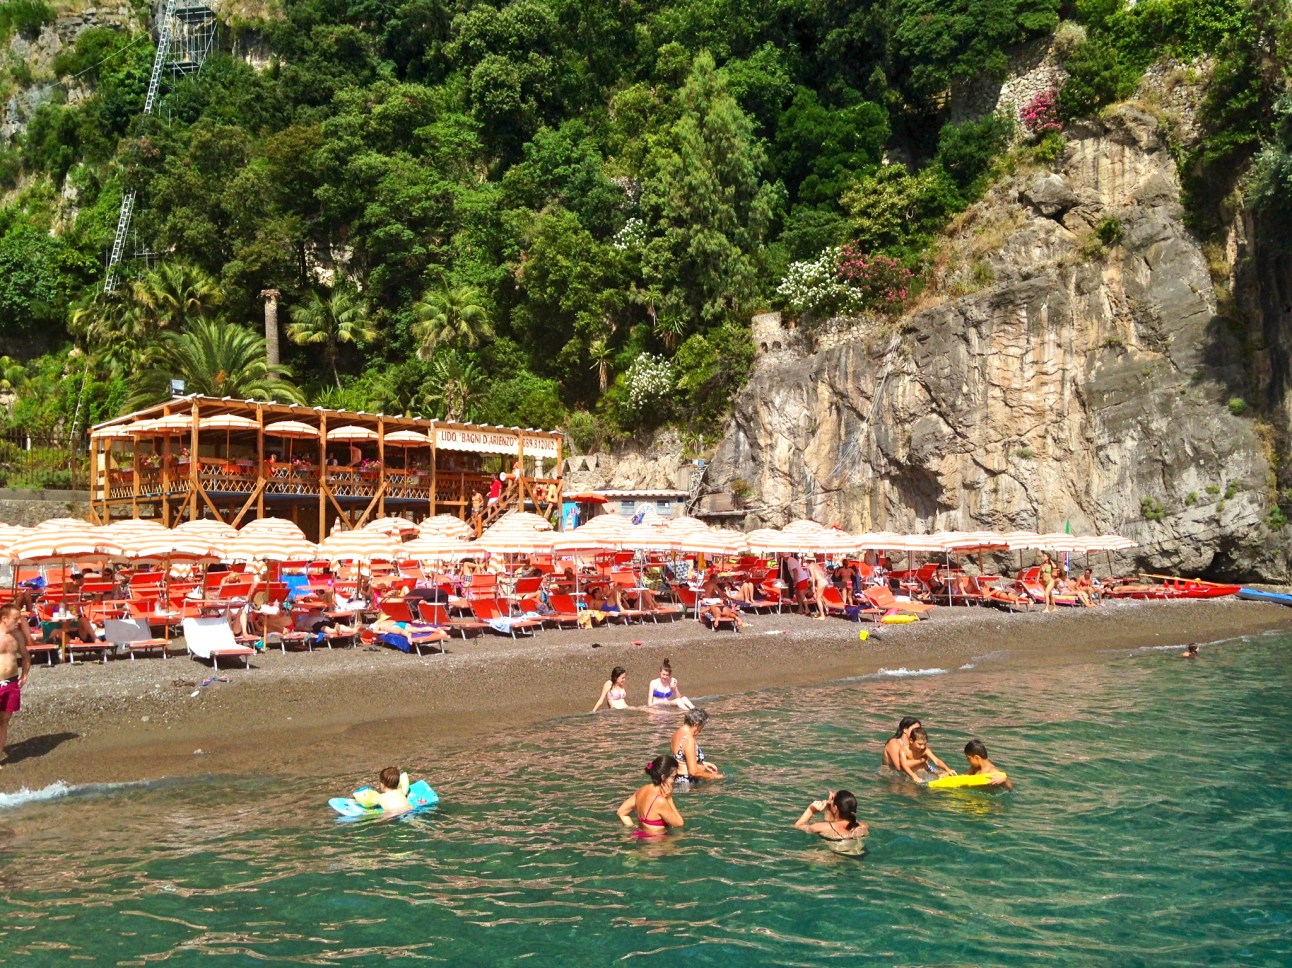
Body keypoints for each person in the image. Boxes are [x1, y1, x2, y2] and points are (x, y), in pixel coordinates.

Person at [616, 755, 683, 836]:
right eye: (674, 777)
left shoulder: (642, 790)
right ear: (664, 777)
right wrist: (669, 797)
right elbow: (679, 823)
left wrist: (633, 829)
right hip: (659, 845)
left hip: (642, 839)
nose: (675, 780)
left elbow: (621, 812)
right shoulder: (660, 800)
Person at [0, 605, 32, 765]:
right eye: (15, 618)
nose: (19, 621)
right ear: (4, 619)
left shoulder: (17, 636)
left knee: (4, 721)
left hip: (11, 683)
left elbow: (26, 656)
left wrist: (25, 675)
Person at [793, 790, 868, 841]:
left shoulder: (819, 827)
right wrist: (829, 808)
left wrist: (810, 810)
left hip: (835, 859)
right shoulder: (863, 826)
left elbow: (797, 826)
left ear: (835, 808)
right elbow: (832, 824)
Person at [672, 707, 723, 782]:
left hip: (679, 779)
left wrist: (704, 764)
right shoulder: (689, 739)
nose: (701, 731)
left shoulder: (676, 734)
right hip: (688, 782)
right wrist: (716, 776)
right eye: (701, 727)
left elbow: (681, 759)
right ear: (696, 725)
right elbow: (693, 772)